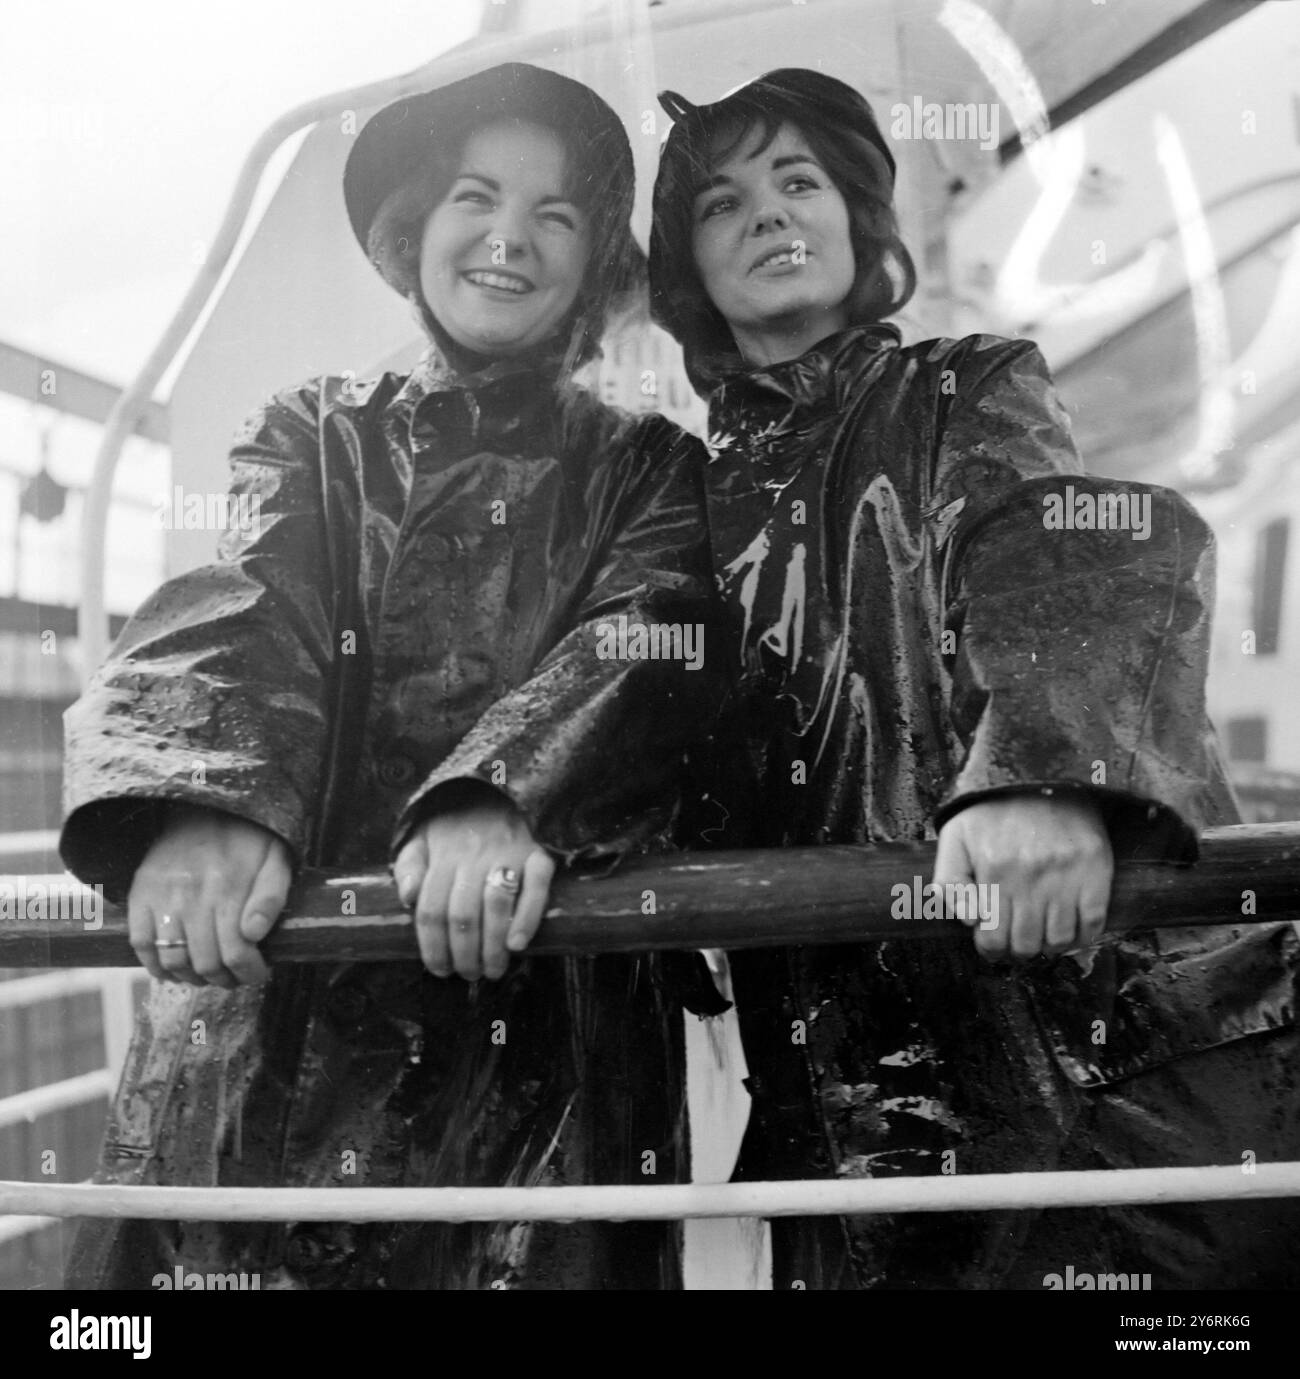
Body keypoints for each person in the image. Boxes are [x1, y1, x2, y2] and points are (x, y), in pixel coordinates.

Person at [61, 61, 712, 1290]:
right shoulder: (313, 430)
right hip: (268, 1043)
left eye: (557, 214)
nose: (508, 238)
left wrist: (507, 790)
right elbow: (251, 599)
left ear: (591, 267)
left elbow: (652, 634)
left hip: (540, 1063)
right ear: (415, 228)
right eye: (477, 195)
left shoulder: (649, 469)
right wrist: (206, 795)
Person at [649, 68, 1300, 1289]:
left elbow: (1062, 543)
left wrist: (1042, 770)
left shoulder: (968, 384)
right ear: (687, 265)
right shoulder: (667, 499)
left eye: (801, 181)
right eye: (720, 204)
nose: (771, 215)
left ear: (856, 216)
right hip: (837, 1105)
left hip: (1077, 1038)